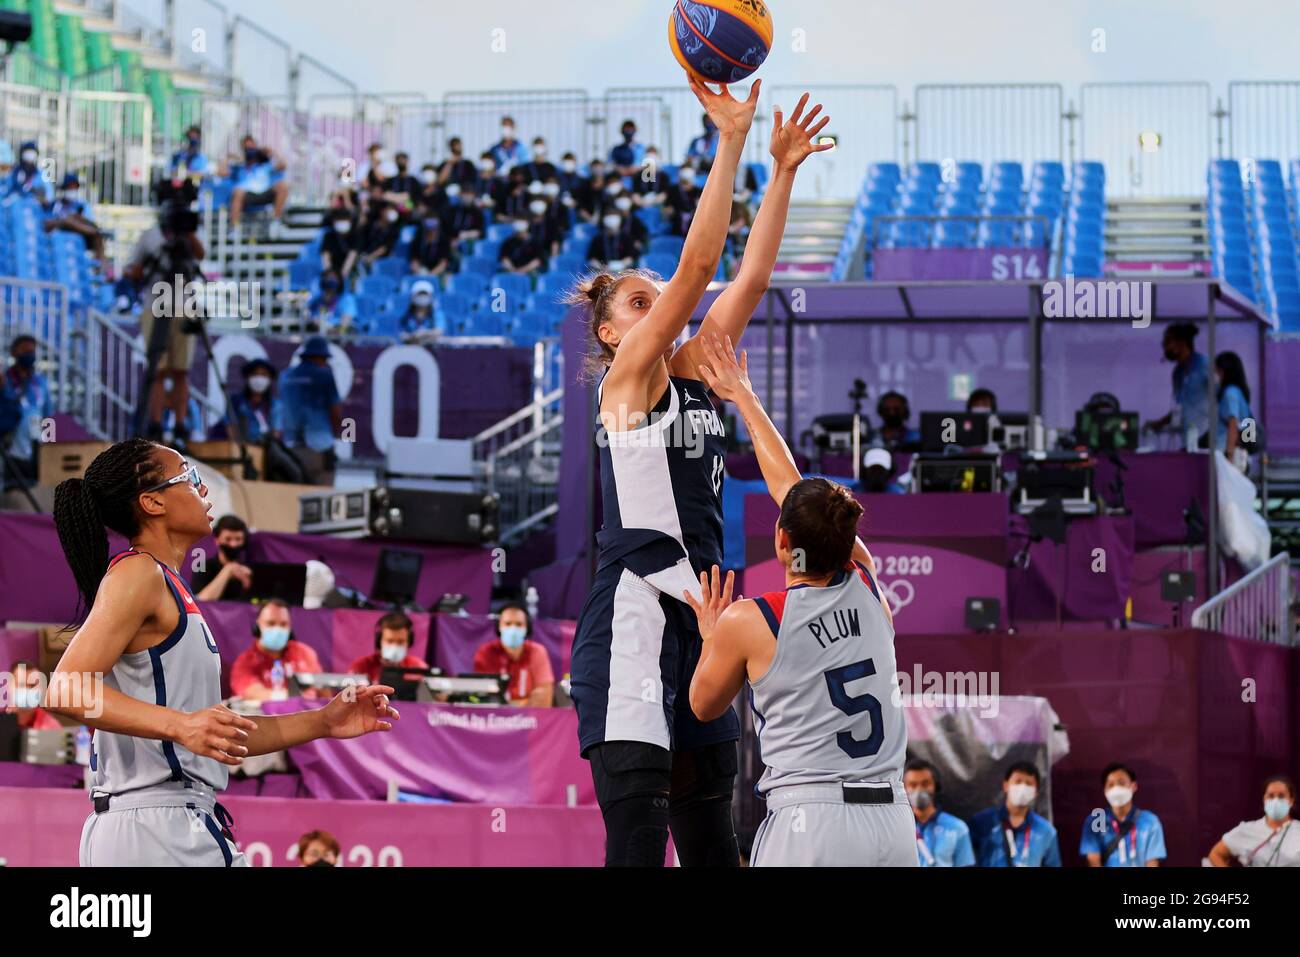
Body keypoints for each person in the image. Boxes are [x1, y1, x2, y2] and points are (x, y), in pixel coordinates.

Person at [566, 82, 833, 868]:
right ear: (610, 334)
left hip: (705, 618)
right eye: (638, 302)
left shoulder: (692, 371)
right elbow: (701, 265)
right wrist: (730, 140)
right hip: (633, 620)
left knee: (717, 845)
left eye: (659, 298)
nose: (658, 306)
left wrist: (782, 172)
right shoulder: (625, 385)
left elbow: (749, 279)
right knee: (639, 845)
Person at [47, 439, 397, 865]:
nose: (203, 489)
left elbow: (219, 733)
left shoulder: (168, 585)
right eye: (190, 477)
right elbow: (66, 689)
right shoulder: (139, 572)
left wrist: (323, 721)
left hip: (166, 820)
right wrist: (181, 725)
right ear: (153, 502)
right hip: (157, 824)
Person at [685, 332, 909, 867]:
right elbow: (794, 492)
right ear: (847, 542)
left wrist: (712, 637)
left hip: (813, 821)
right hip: (893, 822)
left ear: (781, 540)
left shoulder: (750, 620)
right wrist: (746, 399)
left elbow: (702, 706)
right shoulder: (867, 583)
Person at [277, 336, 342, 487]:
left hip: (290, 449)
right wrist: (333, 434)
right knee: (321, 495)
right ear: (320, 357)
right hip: (319, 447)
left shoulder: (285, 376)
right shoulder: (325, 375)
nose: (325, 363)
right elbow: (336, 411)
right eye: (324, 359)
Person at [969, 762, 1062, 867]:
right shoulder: (982, 822)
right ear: (1006, 785)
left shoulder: (1046, 831)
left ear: (1035, 792)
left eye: (1029, 784)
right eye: (1018, 781)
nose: (1022, 788)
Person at [230, 599, 324, 701]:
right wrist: (288, 697)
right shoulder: (245, 662)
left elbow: (324, 691)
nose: (277, 629)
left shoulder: (305, 653)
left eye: (283, 624)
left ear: (290, 627)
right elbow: (251, 693)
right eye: (271, 623)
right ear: (257, 626)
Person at [1080, 762, 1167, 867]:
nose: (1116, 789)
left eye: (1121, 783)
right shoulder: (1095, 821)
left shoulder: (1150, 821)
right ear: (1105, 790)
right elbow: (1093, 861)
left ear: (1134, 786)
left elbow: (1152, 863)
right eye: (1110, 785)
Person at [472, 603, 555, 707]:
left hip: (529, 716)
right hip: (494, 715)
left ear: (527, 628)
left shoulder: (537, 652)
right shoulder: (486, 652)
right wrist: (524, 703)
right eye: (508, 624)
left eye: (519, 624)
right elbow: (481, 697)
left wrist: (510, 705)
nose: (513, 629)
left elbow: (544, 699)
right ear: (499, 627)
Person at [1208, 775, 1299, 867]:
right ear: (1264, 799)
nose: (1276, 801)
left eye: (1281, 796)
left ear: (1291, 800)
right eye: (1271, 796)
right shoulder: (1247, 830)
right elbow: (1216, 854)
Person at [1145, 322, 1210, 444]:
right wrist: (1159, 423)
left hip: (1208, 440)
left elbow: (1222, 400)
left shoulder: (1205, 366)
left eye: (1168, 342)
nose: (1164, 347)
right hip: (1188, 441)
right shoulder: (1178, 373)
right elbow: (1181, 409)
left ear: (1182, 343)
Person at [2, 335, 53, 491]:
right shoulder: (5, 380)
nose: (29, 354)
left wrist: (49, 447)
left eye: (32, 351)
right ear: (14, 353)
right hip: (10, 448)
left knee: (36, 491)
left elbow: (48, 414)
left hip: (36, 448)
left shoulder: (40, 382)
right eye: (25, 350)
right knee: (11, 494)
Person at [903, 759, 974, 867]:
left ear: (935, 786)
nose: (919, 790)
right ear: (904, 788)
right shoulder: (897, 828)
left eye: (925, 784)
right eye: (913, 785)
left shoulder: (957, 827)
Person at [228, 135, 289, 233]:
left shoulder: (266, 165)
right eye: (247, 148)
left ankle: (275, 222)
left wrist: (273, 153)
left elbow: (284, 165)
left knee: (283, 186)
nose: (250, 151)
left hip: (265, 194)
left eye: (252, 148)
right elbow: (221, 172)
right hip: (246, 195)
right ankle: (234, 229)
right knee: (237, 192)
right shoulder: (239, 166)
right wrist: (229, 157)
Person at [348, 612, 429, 685]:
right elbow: (349, 694)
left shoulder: (418, 668)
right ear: (379, 641)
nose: (395, 646)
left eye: (401, 641)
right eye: (389, 641)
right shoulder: (361, 666)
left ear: (409, 642)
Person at [190, 514, 253, 603]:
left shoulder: (249, 567)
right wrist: (228, 570)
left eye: (238, 539)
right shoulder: (202, 566)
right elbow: (199, 600)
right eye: (228, 539)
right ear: (217, 540)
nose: (233, 544)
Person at [43, 173, 105, 261]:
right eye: (70, 187)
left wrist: (73, 220)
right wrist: (63, 222)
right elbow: (46, 223)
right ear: (64, 188)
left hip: (80, 236)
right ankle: (95, 232)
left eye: (75, 188)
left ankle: (102, 265)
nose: (72, 190)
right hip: (57, 235)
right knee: (69, 219)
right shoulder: (54, 205)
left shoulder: (82, 206)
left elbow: (90, 222)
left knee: (75, 219)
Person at [224, 357, 280, 444]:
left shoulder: (275, 405)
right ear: (248, 377)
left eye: (264, 375)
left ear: (269, 379)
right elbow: (231, 428)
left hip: (266, 449)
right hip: (241, 448)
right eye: (255, 374)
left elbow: (276, 433)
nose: (259, 378)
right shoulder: (236, 402)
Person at [1214, 350, 1255, 468]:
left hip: (1231, 455)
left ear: (1224, 371)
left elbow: (1233, 424)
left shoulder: (1230, 393)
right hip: (1241, 454)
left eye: (1217, 370)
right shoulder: (1238, 392)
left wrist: (1229, 456)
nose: (1215, 374)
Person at [4, 660, 62, 731]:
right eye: (21, 684)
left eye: (32, 685)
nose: (27, 689)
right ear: (9, 685)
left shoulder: (52, 728)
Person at [321, 208, 359, 280]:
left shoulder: (355, 236)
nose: (342, 222)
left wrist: (342, 276)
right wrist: (330, 273)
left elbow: (352, 256)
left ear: (350, 221)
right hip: (332, 270)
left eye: (344, 219)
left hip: (350, 272)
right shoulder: (329, 236)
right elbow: (326, 256)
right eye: (339, 220)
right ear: (334, 222)